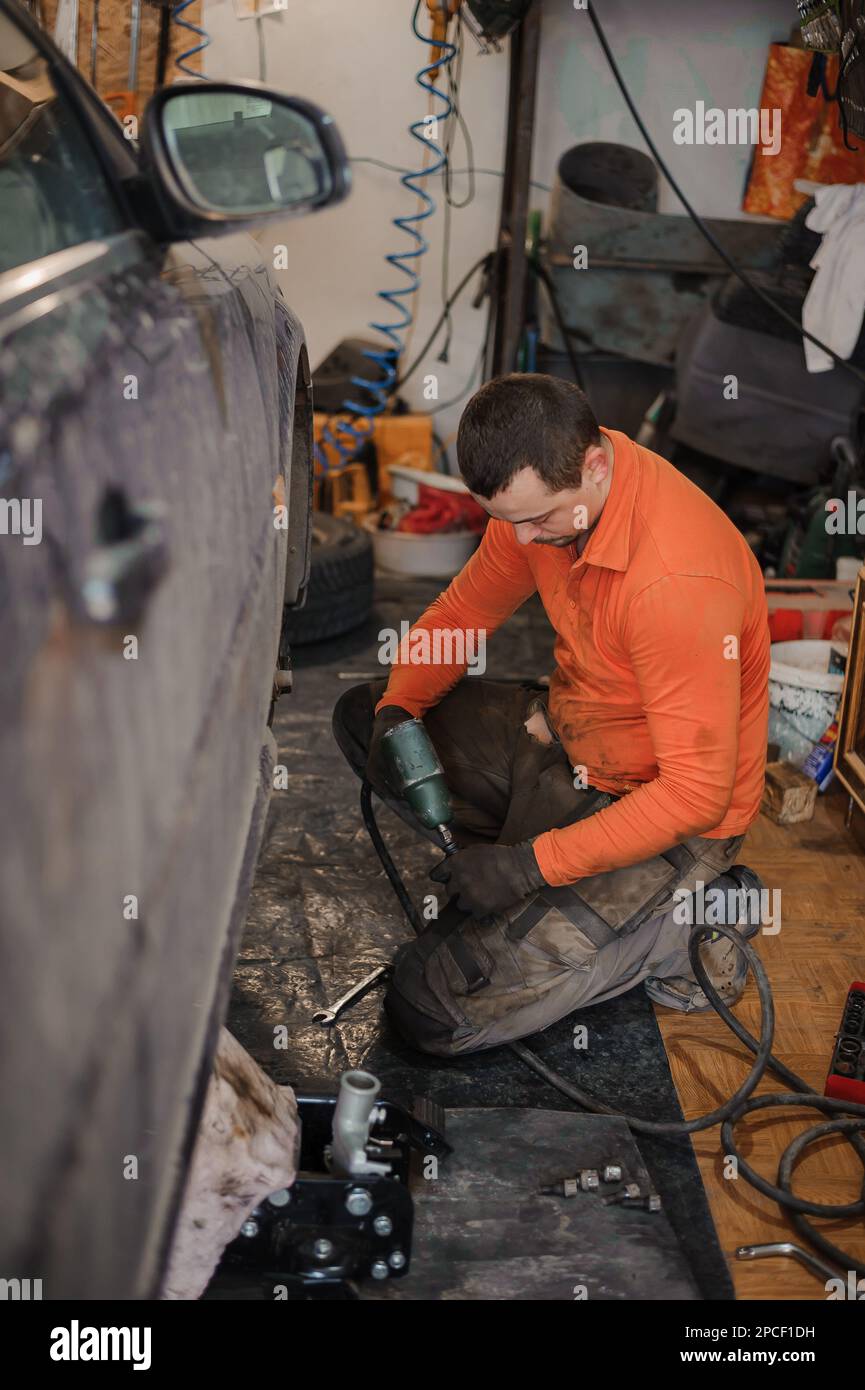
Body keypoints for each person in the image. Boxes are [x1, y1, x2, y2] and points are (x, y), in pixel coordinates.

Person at [333, 373, 771, 1056]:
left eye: (539, 519)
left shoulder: (677, 583)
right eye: (509, 521)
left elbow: (694, 792)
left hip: (670, 813)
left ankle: (685, 925)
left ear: (594, 465)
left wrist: (527, 867)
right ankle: (541, 892)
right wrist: (400, 707)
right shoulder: (541, 502)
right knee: (369, 721)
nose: (525, 539)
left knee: (434, 1009)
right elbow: (461, 615)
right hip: (571, 739)